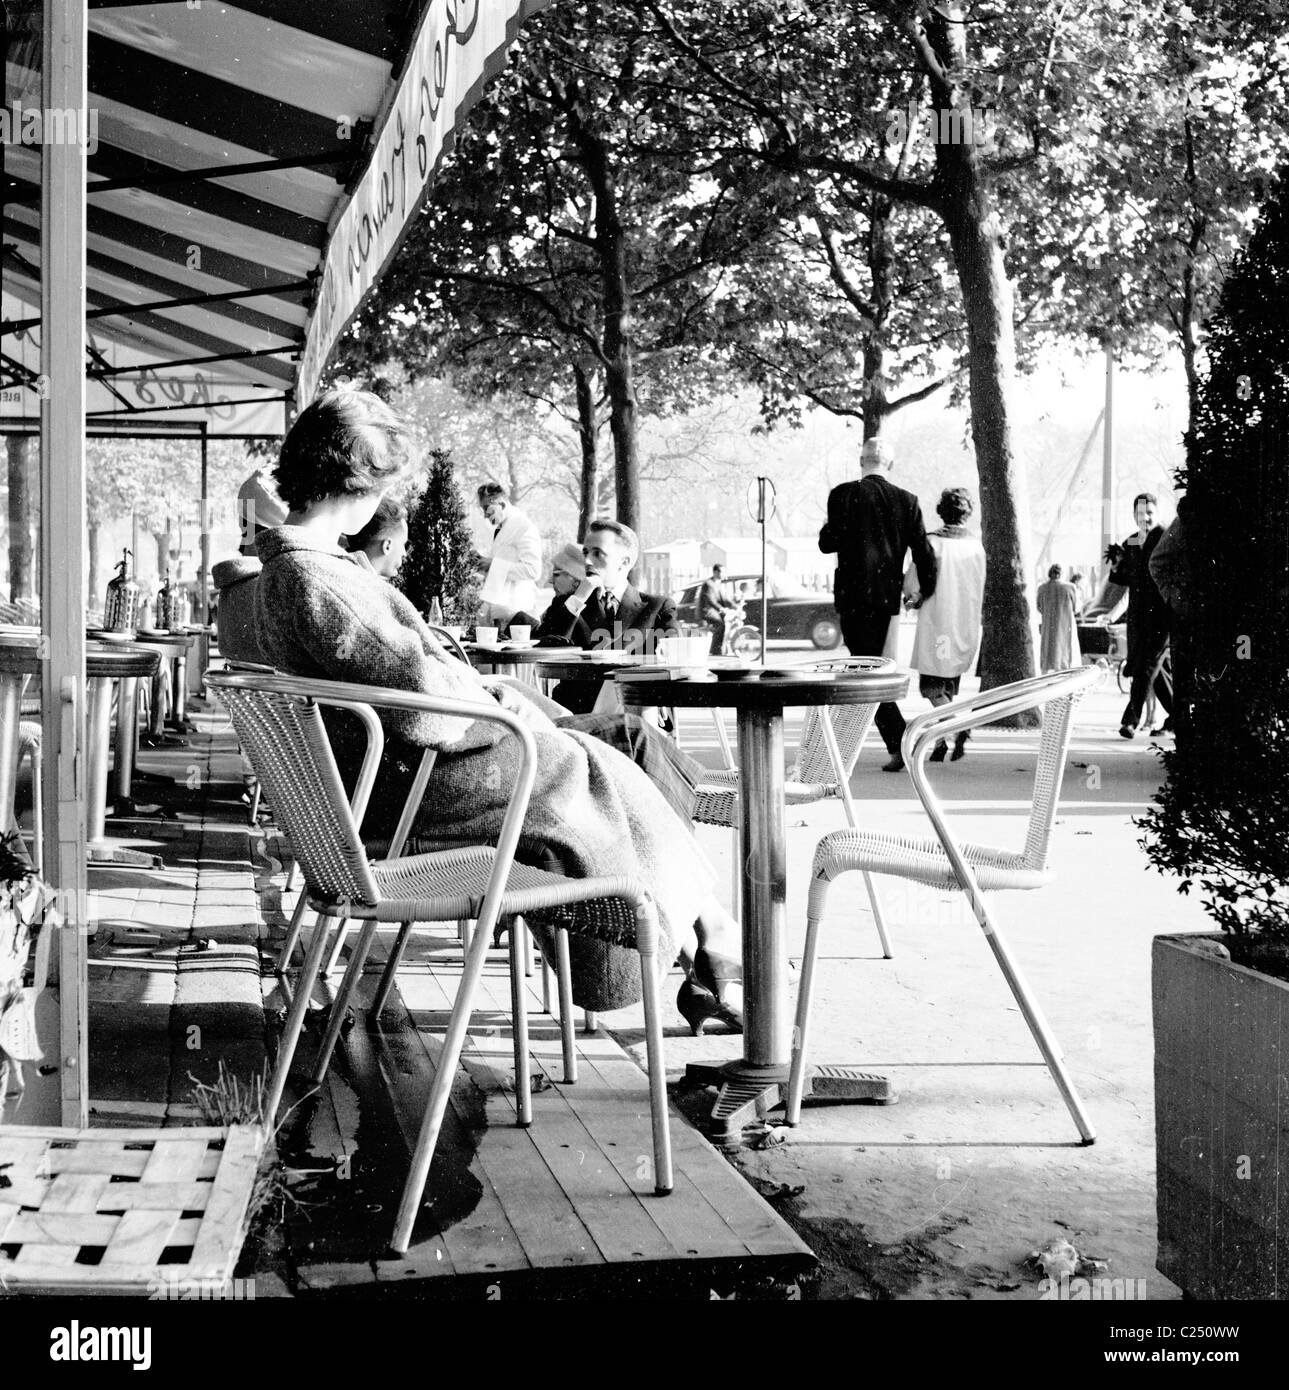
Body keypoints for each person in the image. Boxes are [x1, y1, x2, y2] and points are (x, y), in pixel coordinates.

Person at [253, 390, 742, 1028]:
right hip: (420, 787)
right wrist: (497, 699)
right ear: (355, 485)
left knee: (605, 748)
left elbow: (410, 685)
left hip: (383, 789)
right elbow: (428, 708)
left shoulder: (294, 574)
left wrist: (500, 701)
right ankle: (707, 940)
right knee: (601, 752)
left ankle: (709, 937)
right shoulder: (321, 579)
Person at [819, 437, 938, 771]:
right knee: (868, 669)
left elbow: (828, 544)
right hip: (886, 598)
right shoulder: (907, 501)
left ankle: (901, 740)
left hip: (852, 596)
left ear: (861, 461)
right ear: (890, 465)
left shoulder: (841, 495)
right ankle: (900, 741)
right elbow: (923, 552)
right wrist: (922, 590)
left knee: (863, 670)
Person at [535, 519, 679, 715]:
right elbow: (543, 649)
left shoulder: (657, 607)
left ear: (625, 562)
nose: (587, 561)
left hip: (637, 710)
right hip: (576, 714)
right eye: (585, 553)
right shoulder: (568, 605)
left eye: (598, 554)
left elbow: (676, 658)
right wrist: (580, 596)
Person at [906, 487, 986, 761]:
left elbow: (914, 584)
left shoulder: (932, 543)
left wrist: (911, 598)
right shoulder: (976, 546)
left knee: (931, 687)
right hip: (963, 624)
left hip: (937, 622)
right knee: (949, 684)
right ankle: (941, 743)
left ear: (941, 512)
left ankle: (956, 726)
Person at [1109, 492, 1172, 739]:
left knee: (1146, 668)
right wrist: (1115, 565)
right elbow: (1122, 579)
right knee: (1156, 673)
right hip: (1137, 618)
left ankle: (1130, 721)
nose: (1144, 518)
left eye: (1149, 513)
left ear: (1157, 513)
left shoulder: (1166, 538)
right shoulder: (1131, 542)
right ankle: (1179, 718)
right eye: (1139, 513)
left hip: (1162, 617)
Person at [476, 482, 542, 628]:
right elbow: (501, 562)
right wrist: (481, 564)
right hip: (498, 610)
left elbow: (533, 571)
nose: (485, 515)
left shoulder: (525, 527)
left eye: (488, 509)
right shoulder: (499, 528)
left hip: (517, 611)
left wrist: (493, 564)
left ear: (503, 505)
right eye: (483, 509)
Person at [342, 496, 408, 579]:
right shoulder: (367, 587)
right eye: (403, 544)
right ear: (387, 546)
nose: (404, 553)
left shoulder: (340, 568)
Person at [1035, 563, 1081, 674]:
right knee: (1065, 651)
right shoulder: (1070, 587)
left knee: (1048, 650)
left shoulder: (1042, 588)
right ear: (1061, 574)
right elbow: (1077, 608)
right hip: (1065, 625)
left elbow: (1039, 607)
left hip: (1048, 625)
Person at [697, 563, 736, 656]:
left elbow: (724, 598)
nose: (723, 574)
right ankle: (714, 650)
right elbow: (710, 600)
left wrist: (735, 606)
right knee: (720, 624)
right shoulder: (708, 584)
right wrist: (722, 609)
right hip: (707, 611)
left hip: (714, 610)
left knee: (725, 623)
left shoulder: (718, 584)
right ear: (715, 572)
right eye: (721, 572)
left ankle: (721, 649)